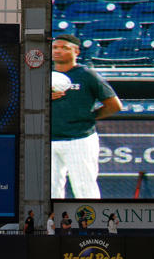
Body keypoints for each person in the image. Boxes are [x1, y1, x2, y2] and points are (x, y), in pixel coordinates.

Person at [51, 34, 123, 199]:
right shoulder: (41, 74)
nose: (58, 51)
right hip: (49, 140)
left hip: (79, 139)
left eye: (64, 48)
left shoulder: (87, 74)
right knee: (50, 190)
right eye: (55, 47)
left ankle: (90, 224)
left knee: (85, 188)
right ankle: (51, 223)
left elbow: (114, 105)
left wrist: (88, 117)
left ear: (76, 51)